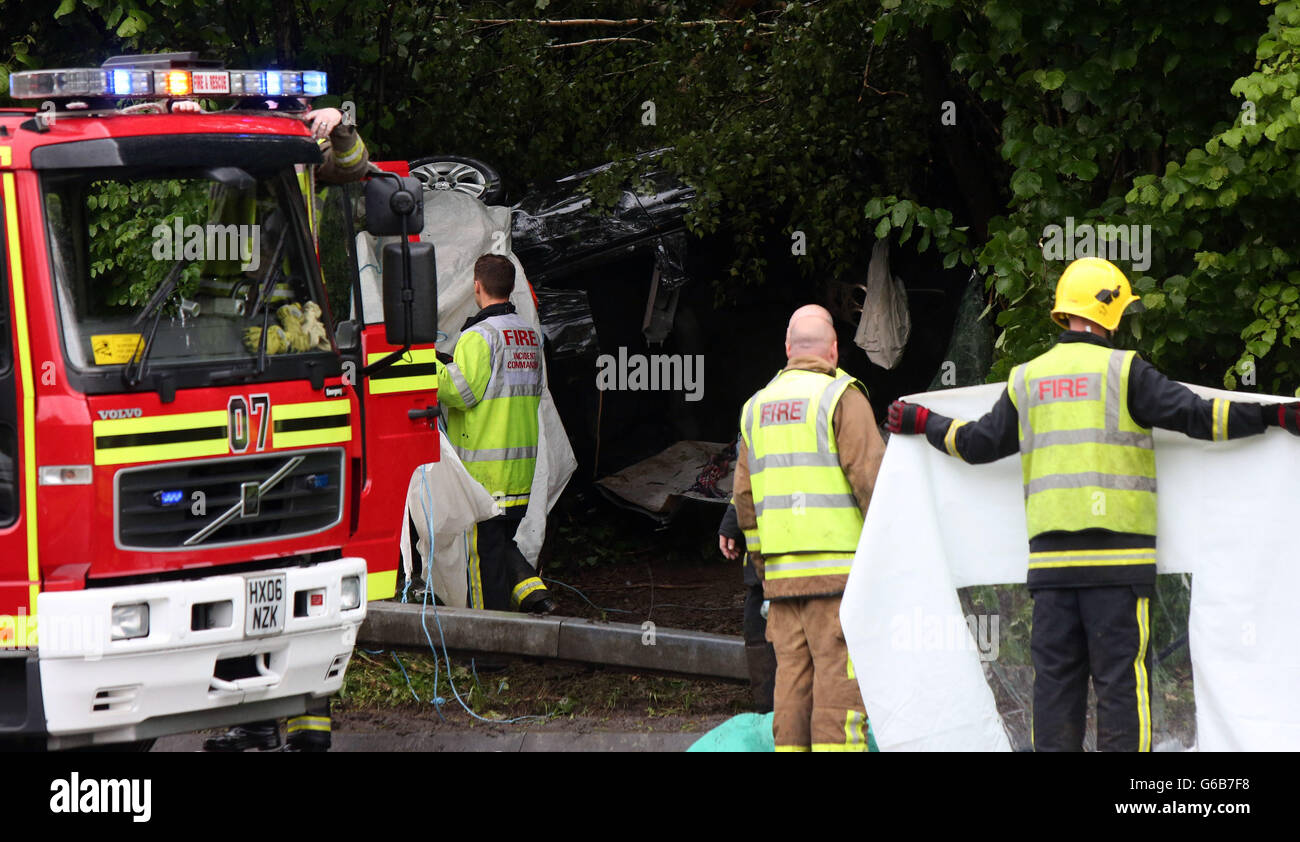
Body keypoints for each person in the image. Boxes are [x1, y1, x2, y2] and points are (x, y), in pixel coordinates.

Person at [886, 256, 1300, 751]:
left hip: (1053, 573)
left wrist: (923, 421)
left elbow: (977, 445)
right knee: (1123, 693)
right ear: (1108, 312)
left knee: (1055, 695)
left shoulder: (1028, 378)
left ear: (1066, 311)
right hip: (1118, 571)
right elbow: (1199, 416)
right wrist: (1274, 414)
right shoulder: (1125, 372)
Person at [202, 103, 368, 754]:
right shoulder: (218, 142)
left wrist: (343, 130)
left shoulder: (300, 150)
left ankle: (287, 722)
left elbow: (356, 168)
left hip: (288, 333)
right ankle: (274, 720)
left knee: (282, 555)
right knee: (265, 558)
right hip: (244, 336)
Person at [732, 304, 884, 751]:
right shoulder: (842, 398)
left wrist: (764, 567)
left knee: (792, 688)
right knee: (839, 687)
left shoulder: (755, 407)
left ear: (787, 349)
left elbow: (744, 500)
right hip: (840, 581)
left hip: (780, 581)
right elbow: (871, 483)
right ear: (835, 350)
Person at [436, 254, 556, 614]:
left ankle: (490, 644)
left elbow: (460, 393)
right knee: (501, 544)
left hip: (483, 475)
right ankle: (535, 598)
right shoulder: (528, 335)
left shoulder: (479, 335)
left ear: (477, 286)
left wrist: (428, 364)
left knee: (482, 561)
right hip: (520, 470)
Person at [719, 499, 776, 712]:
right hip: (762, 573)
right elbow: (748, 474)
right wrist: (733, 516)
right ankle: (768, 713)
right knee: (758, 638)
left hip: (813, 570)